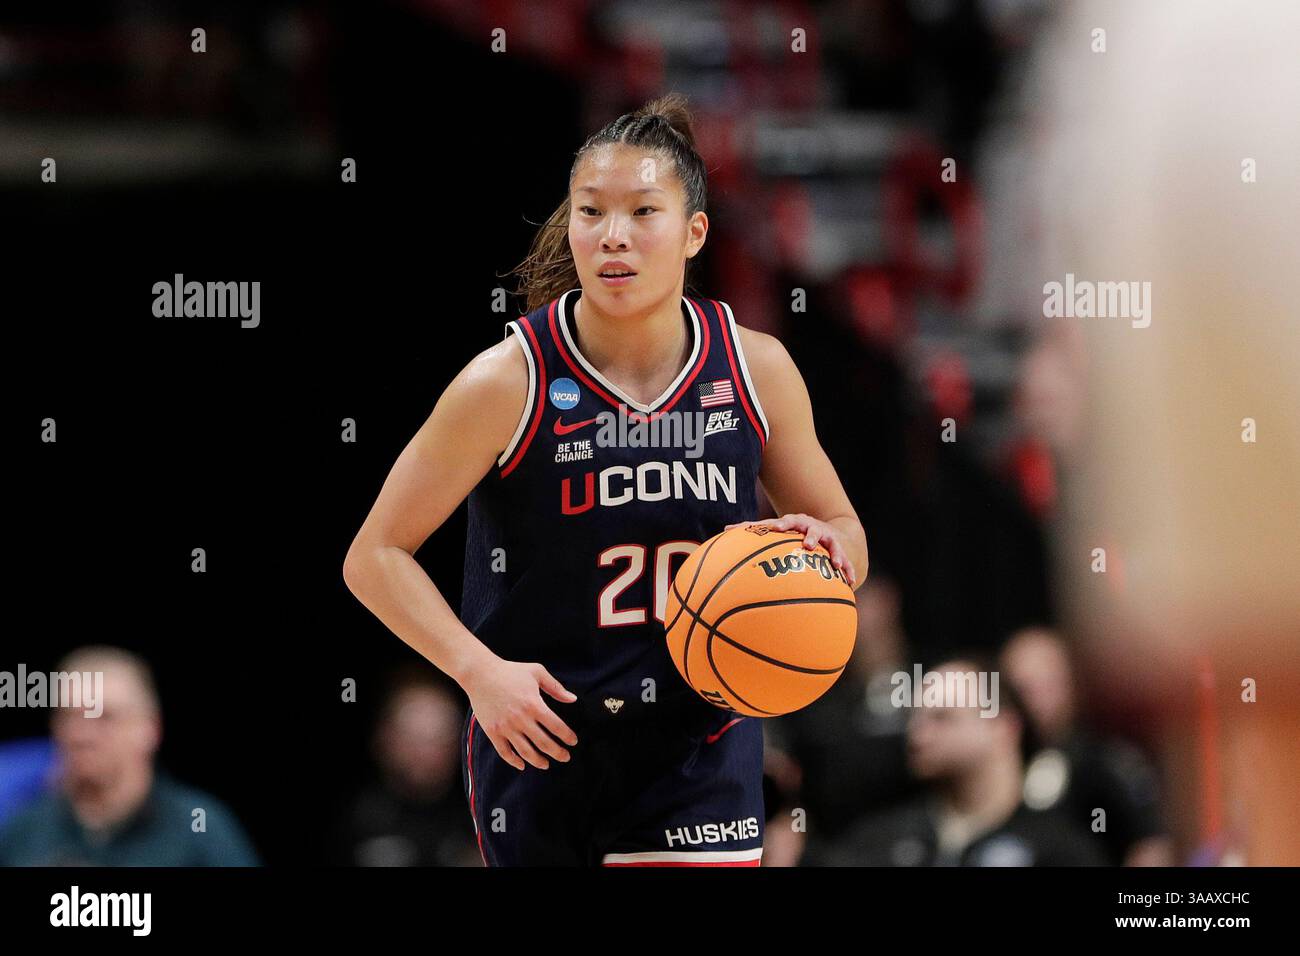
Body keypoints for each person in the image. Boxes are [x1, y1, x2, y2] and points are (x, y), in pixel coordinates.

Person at [343, 92, 869, 866]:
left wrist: (828, 552)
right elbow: (375, 555)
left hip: (700, 742)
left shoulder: (754, 369)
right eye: (591, 212)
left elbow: (845, 532)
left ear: (694, 233)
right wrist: (477, 672)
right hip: (543, 743)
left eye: (643, 212)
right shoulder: (507, 380)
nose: (613, 236)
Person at [818, 656, 1106, 866]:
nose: (918, 734)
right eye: (915, 718)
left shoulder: (1058, 849)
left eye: (942, 717)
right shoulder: (876, 842)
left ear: (1003, 728)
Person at [0, 646, 260, 867]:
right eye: (68, 715)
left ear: (150, 729)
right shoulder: (24, 832)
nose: (80, 734)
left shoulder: (200, 828)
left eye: (105, 717)